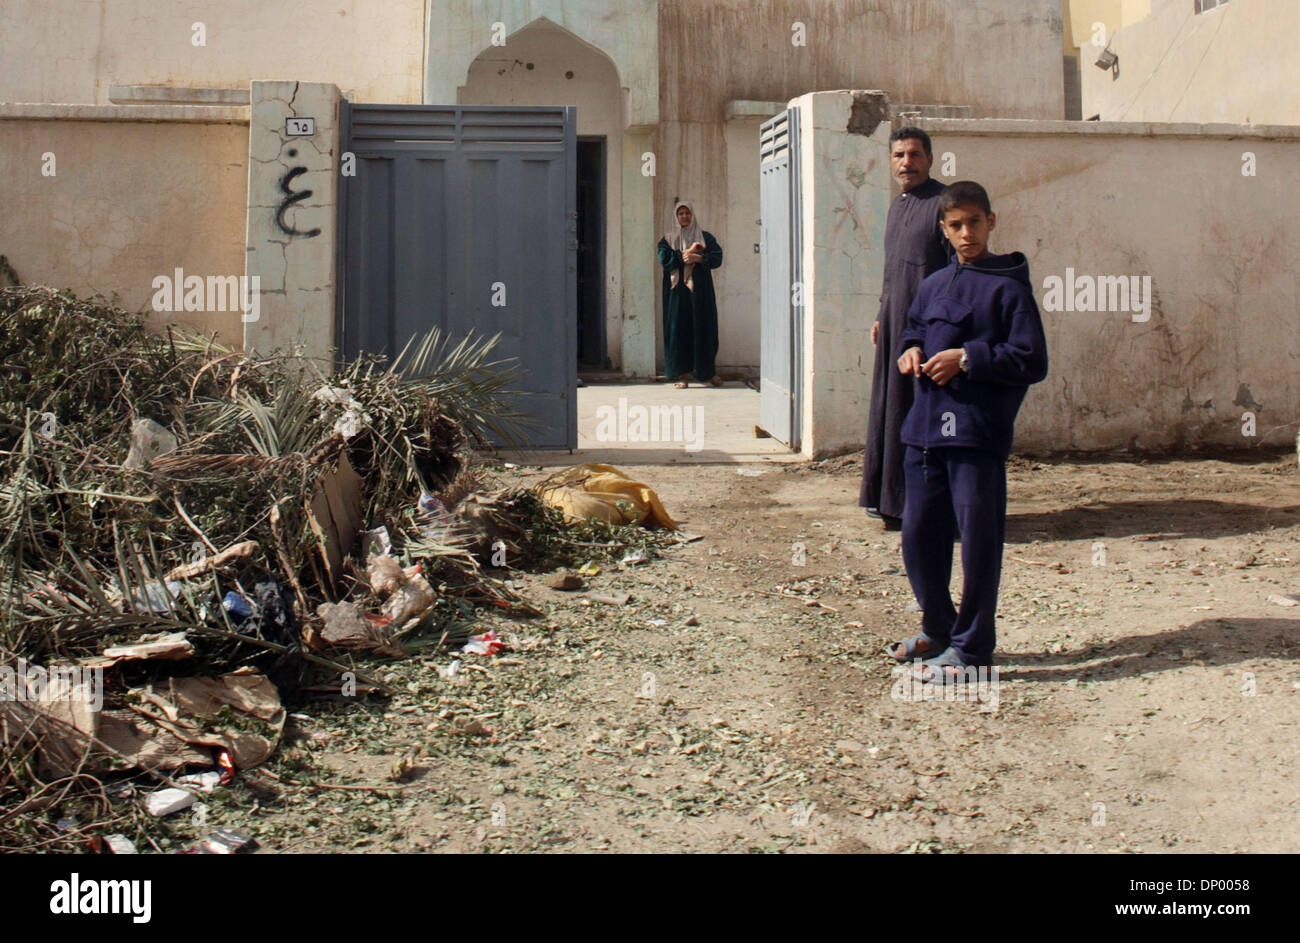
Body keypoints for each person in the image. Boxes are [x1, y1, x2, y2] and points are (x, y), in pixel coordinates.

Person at [888, 181, 1048, 681]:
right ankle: (938, 628)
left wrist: (968, 358)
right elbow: (915, 329)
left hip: (976, 434)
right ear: (944, 229)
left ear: (991, 222)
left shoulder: (1009, 288)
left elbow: (1032, 360)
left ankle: (973, 649)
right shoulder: (934, 284)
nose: (966, 233)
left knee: (978, 541)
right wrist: (910, 350)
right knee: (917, 535)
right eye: (955, 225)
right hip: (925, 431)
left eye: (974, 222)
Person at [859, 128, 950, 530]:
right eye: (898, 155)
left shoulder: (944, 204)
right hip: (896, 323)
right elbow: (894, 268)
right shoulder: (898, 205)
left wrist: (942, 329)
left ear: (930, 158)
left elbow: (953, 272)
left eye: (914, 154)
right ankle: (888, 501)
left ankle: (923, 508)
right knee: (889, 408)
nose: (906, 162)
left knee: (920, 413)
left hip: (928, 330)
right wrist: (883, 312)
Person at [658, 200, 724, 388]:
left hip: (700, 293)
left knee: (704, 327)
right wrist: (685, 254)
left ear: (692, 215)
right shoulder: (668, 240)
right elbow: (665, 260)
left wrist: (699, 258)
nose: (685, 217)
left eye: (688, 213)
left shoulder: (705, 238)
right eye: (681, 214)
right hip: (677, 294)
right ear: (676, 217)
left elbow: (717, 258)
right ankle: (682, 374)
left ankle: (707, 372)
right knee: (679, 329)